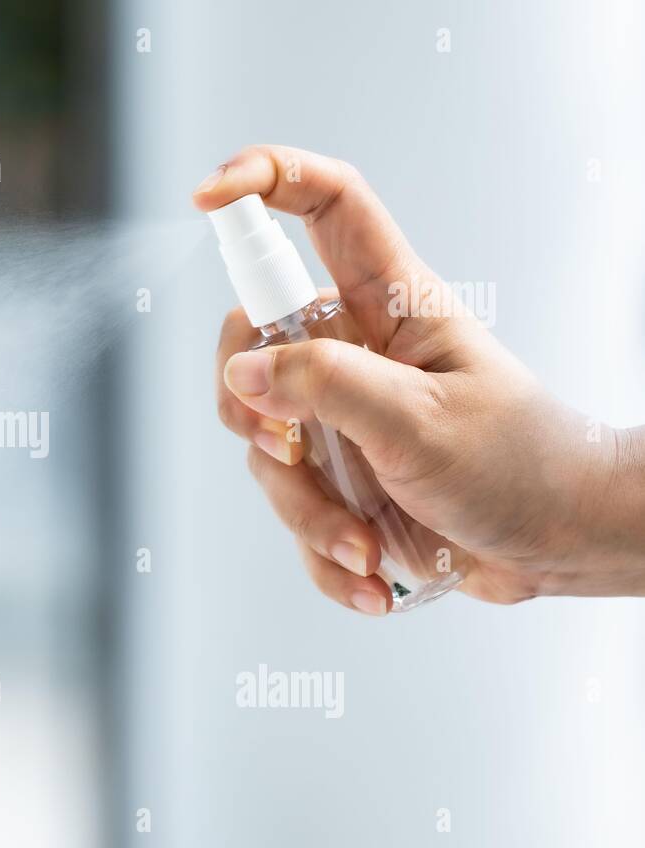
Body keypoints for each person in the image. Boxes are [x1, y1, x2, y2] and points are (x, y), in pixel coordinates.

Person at [194, 145, 645, 615]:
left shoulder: (329, 323)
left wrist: (579, 507)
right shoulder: (298, 340)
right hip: (493, 555)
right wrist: (575, 519)